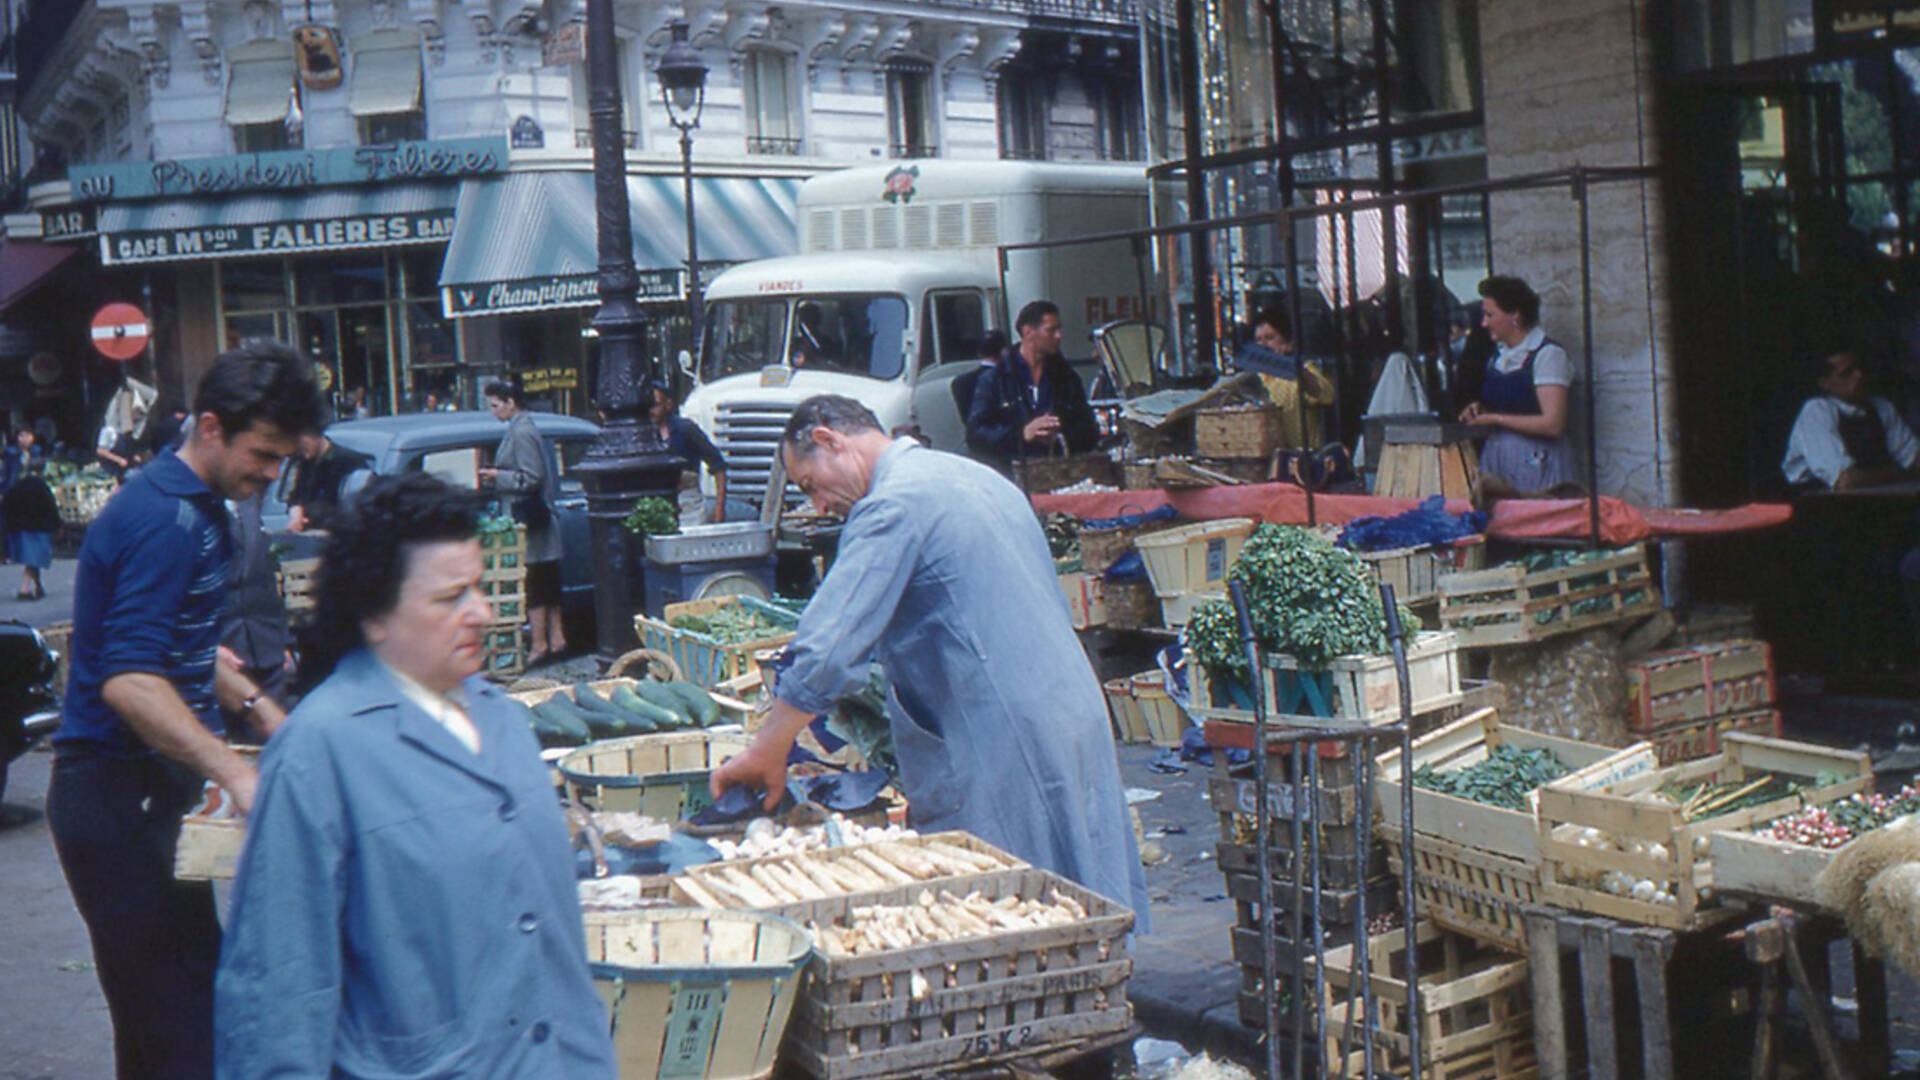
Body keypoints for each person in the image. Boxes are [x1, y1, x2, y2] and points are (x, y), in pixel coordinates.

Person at [214, 473, 617, 1080]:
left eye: (478, 588)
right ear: (375, 614)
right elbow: (277, 997)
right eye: (450, 597)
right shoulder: (319, 751)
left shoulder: (500, 717)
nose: (481, 612)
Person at [710, 395, 1146, 921]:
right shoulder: (974, 476)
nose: (819, 505)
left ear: (829, 440)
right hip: (1072, 711)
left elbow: (825, 654)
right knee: (1084, 902)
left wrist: (766, 749)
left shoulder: (892, 506)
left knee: (1015, 919)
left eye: (809, 484)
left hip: (1001, 735)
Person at [47, 340, 318, 1080]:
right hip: (115, 799)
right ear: (208, 427)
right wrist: (234, 771)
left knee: (164, 1028)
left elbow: (186, 653)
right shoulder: (164, 522)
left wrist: (266, 715)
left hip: (146, 799)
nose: (268, 475)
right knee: (185, 1035)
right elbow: (130, 682)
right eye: (261, 455)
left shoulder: (198, 509)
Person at [1457, 275, 1576, 497]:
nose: (1484, 323)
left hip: (1537, 460)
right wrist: (1480, 410)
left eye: (1490, 315)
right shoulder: (1498, 357)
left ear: (1515, 316)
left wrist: (1495, 419)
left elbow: (1553, 424)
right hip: (1498, 458)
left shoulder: (1547, 356)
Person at [479, 381, 564, 663]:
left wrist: (496, 475)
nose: (493, 412)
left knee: (537, 582)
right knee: (546, 580)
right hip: (535, 517)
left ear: (510, 402)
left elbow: (531, 476)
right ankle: (555, 638)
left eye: (495, 405)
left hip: (529, 515)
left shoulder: (522, 431)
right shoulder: (521, 428)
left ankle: (540, 643)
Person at [966, 300, 1099, 474]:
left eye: (1059, 329)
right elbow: (976, 436)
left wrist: (1060, 434)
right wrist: (1022, 434)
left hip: (1058, 476)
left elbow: (1089, 430)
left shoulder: (1066, 377)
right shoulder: (995, 379)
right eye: (1051, 330)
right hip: (1011, 479)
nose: (1059, 336)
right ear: (1028, 332)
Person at [1782, 348, 1920, 491]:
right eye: (1847, 373)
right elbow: (1845, 481)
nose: (1859, 375)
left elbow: (1912, 456)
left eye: (1859, 368)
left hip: (1869, 497)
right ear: (1825, 383)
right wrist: (1897, 473)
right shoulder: (1816, 411)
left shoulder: (1881, 407)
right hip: (1818, 503)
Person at [220, 491, 292, 739]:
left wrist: (283, 640)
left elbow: (265, 577)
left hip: (265, 646)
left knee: (274, 740)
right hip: (223, 653)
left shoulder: (249, 501)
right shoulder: (190, 510)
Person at [1234, 307, 1336, 451]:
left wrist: (1300, 373)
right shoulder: (1253, 377)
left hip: (1300, 460)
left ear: (1289, 343)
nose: (1263, 345)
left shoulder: (1303, 371)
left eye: (1270, 338)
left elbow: (1327, 395)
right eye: (1258, 340)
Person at [648, 380, 730, 524]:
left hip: (689, 504)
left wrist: (719, 508)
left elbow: (718, 466)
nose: (650, 411)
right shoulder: (643, 434)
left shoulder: (685, 429)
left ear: (668, 404)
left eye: (655, 405)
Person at [285, 427, 372, 532]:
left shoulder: (349, 461)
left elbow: (358, 506)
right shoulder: (304, 463)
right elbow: (296, 495)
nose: (300, 449)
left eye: (303, 444)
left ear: (316, 435)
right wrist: (295, 510)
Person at [3, 455, 57, 599]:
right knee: (34, 558)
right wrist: (57, 524)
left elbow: (7, 502)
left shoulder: (18, 485)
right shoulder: (42, 487)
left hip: (21, 527)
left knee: (32, 558)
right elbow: (50, 507)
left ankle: (38, 586)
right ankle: (24, 589)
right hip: (39, 528)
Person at [952, 329, 1008, 457]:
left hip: (976, 448)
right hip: (1004, 447)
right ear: (1004, 351)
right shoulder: (1006, 379)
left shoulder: (960, 382)